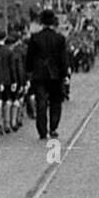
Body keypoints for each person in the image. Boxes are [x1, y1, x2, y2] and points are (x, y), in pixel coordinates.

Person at [26, 8, 69, 140]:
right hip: (55, 75)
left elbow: (29, 58)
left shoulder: (35, 38)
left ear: (42, 22)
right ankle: (53, 127)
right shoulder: (60, 38)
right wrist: (65, 74)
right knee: (56, 102)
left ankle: (42, 130)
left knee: (41, 103)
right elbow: (64, 58)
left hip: (39, 75)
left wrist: (29, 72)